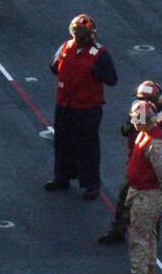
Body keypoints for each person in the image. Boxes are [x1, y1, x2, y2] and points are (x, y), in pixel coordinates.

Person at [101, 80, 162, 244]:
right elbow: (125, 131)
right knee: (125, 197)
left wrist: (158, 145)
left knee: (152, 205)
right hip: (136, 162)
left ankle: (152, 237)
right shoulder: (139, 113)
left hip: (154, 166)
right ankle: (119, 229)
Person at [45, 14, 117, 199]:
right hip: (64, 104)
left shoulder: (100, 53)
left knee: (87, 146)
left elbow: (112, 79)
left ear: (90, 34)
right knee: (62, 142)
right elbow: (54, 67)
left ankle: (92, 184)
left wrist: (94, 71)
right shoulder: (65, 47)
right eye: (76, 32)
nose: (78, 36)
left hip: (87, 108)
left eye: (81, 33)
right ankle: (62, 177)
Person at [123, 99, 162, 274]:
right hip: (144, 192)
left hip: (147, 194)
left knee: (138, 237)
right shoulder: (145, 134)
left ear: (144, 119)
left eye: (136, 119)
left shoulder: (155, 142)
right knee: (149, 234)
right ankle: (148, 273)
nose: (133, 123)